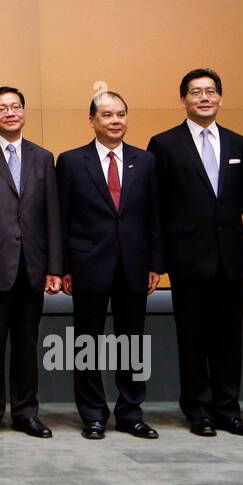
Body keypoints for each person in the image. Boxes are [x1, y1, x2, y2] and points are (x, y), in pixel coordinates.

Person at [147, 69, 243, 438]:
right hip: (186, 255)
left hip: (229, 254)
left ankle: (228, 408)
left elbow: (238, 200)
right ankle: (197, 409)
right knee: (193, 337)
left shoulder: (239, 143)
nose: (205, 97)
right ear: (184, 100)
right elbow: (157, 206)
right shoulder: (164, 144)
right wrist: (158, 260)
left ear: (221, 98)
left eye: (211, 91)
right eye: (196, 92)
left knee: (230, 337)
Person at [56, 91, 164, 440]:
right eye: (107, 115)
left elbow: (154, 217)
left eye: (120, 114)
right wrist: (64, 266)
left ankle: (131, 413)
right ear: (92, 121)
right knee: (88, 342)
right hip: (88, 265)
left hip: (134, 266)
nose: (115, 121)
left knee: (131, 341)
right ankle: (93, 414)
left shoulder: (145, 160)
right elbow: (62, 218)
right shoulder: (71, 161)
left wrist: (155, 264)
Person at [0, 86, 63, 439]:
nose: (10, 113)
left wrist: (54, 268)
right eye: (2, 108)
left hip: (32, 267)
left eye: (16, 106)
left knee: (26, 344)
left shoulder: (43, 157)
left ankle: (25, 412)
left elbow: (52, 216)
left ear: (24, 112)